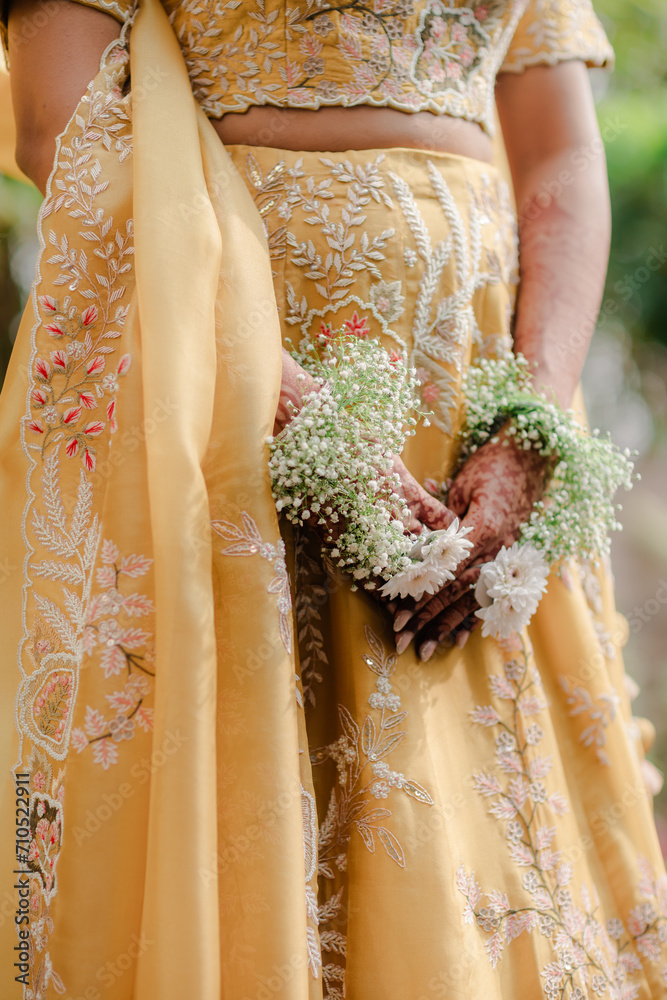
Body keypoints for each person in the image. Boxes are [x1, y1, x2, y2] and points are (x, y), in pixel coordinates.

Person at [0, 0, 664, 997]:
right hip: (214, 414)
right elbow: (60, 122)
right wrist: (281, 402)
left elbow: (561, 158)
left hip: (473, 420)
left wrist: (531, 422)